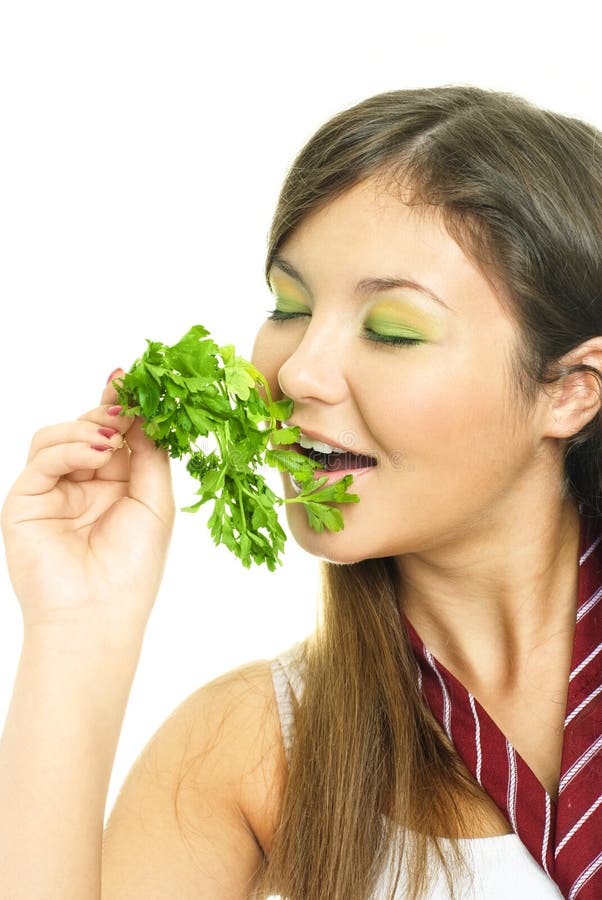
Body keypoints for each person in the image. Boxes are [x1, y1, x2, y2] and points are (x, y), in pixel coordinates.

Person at [1, 85, 601, 900]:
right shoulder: (250, 749)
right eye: (289, 307)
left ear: (572, 390)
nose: (296, 371)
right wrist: (76, 630)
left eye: (392, 328)